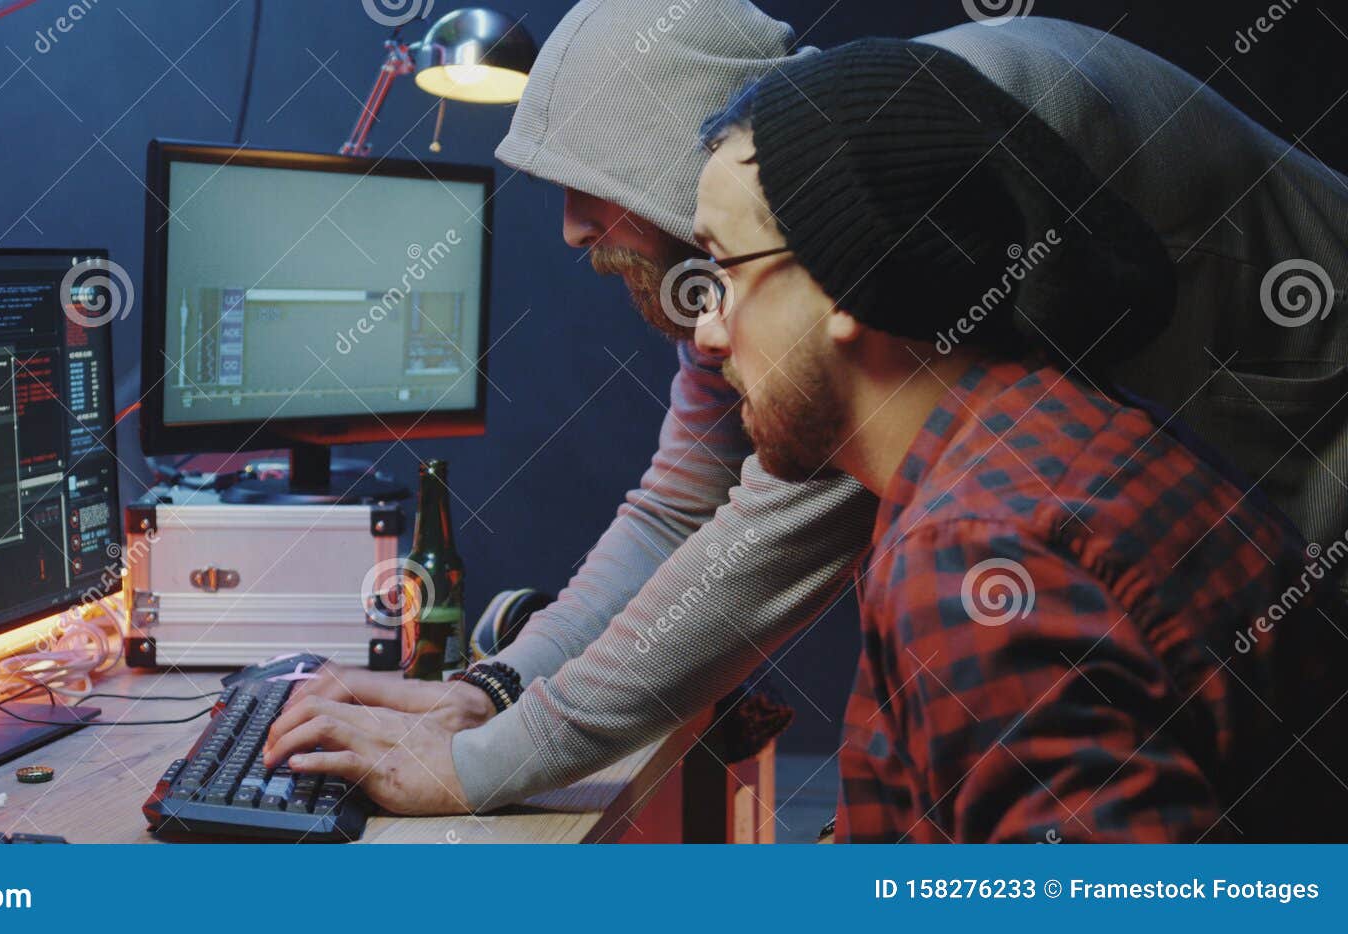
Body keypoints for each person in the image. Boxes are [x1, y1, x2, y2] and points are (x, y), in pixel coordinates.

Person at [264, 1, 1348, 818]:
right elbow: (676, 507)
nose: (567, 228)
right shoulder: (779, 239)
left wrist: (479, 764)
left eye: (586, 181)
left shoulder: (901, 203)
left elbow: (764, 541)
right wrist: (493, 688)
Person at [690, 37, 1348, 842]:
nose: (706, 332)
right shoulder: (1090, 436)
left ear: (845, 277)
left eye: (724, 270)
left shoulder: (973, 551)